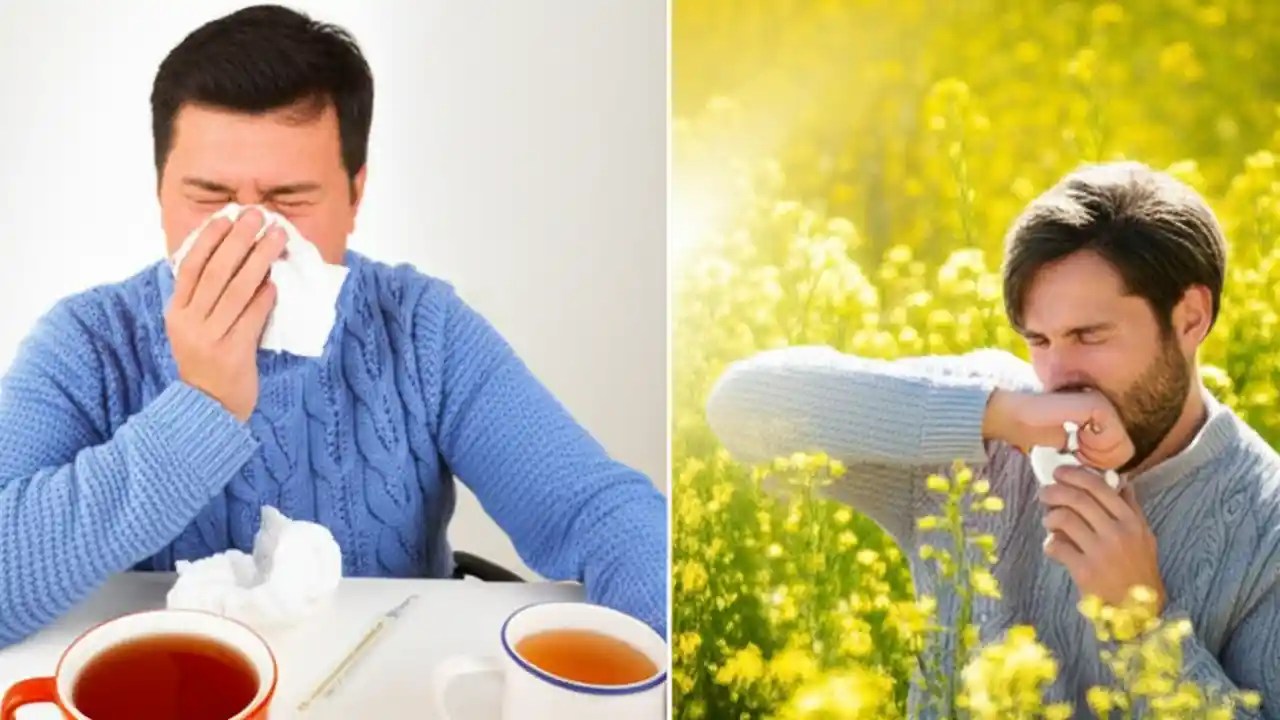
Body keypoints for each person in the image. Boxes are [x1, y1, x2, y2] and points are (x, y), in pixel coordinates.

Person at [0, 5, 666, 647]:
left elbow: (601, 513)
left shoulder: (421, 330)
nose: (253, 235)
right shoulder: (87, 344)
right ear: (159, 192)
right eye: (209, 198)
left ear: (355, 195)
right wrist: (202, 407)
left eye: (291, 200)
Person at [707, 161, 1280, 716]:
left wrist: (1143, 629)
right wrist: (1002, 418)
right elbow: (740, 407)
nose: (1059, 375)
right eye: (1040, 340)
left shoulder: (1267, 523)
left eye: (1089, 335)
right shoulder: (988, 425)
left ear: (1190, 319)